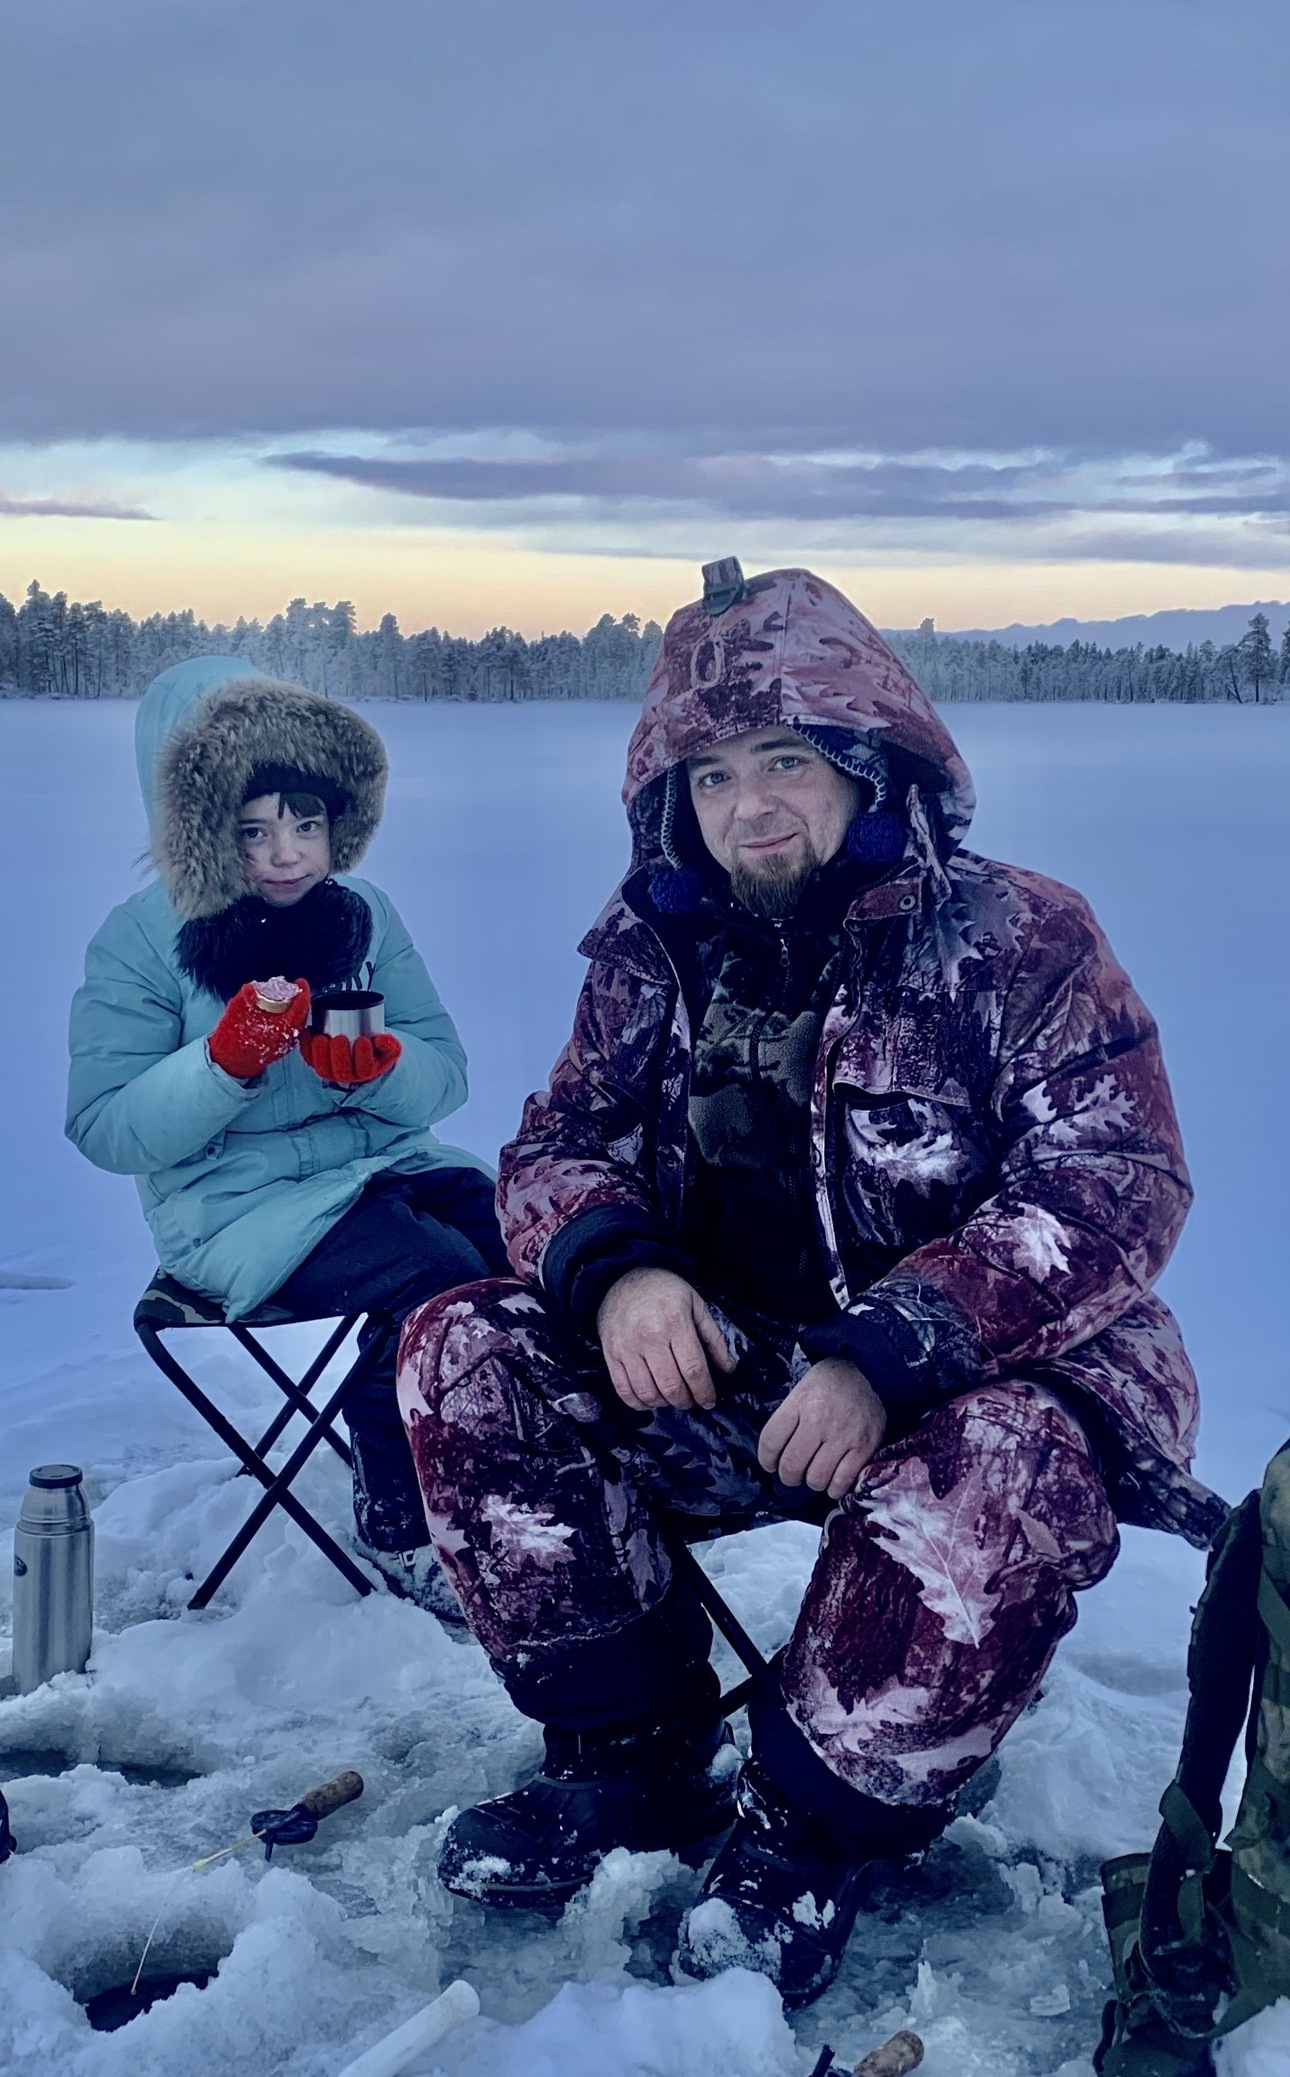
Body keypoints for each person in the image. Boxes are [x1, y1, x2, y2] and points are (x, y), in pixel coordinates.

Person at [397, 562, 1225, 2002]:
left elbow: (1114, 1181)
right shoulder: (650, 947)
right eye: (709, 776)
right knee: (462, 1349)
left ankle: (811, 1825)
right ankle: (630, 1760)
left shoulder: (1015, 937)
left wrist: (894, 1346)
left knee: (1003, 1471)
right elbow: (554, 1144)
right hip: (730, 1367)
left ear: (869, 760)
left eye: (783, 759)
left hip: (984, 1383)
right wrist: (615, 1274)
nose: (746, 807)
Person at [67, 656, 506, 1613]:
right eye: (253, 827)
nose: (287, 854)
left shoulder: (362, 915)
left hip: (379, 1167)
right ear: (199, 827)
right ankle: (403, 1518)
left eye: (307, 823)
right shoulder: (141, 939)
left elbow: (448, 1067)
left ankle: (515, 1480)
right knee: (435, 1279)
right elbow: (103, 1125)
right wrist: (221, 1065)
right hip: (232, 1212)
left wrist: (386, 1066)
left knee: (518, 1244)